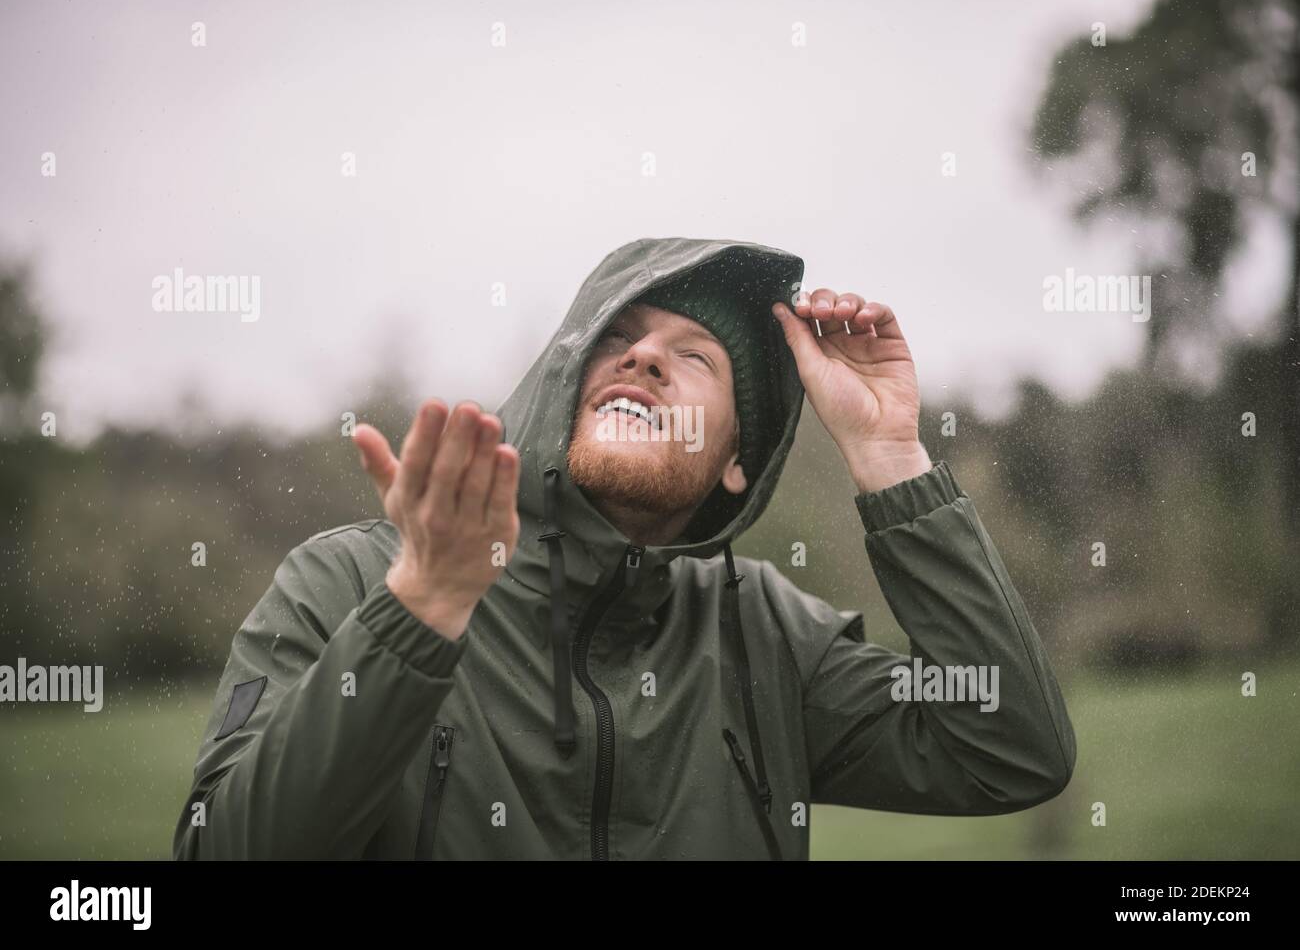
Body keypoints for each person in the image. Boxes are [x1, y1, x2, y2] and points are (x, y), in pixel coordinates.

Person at [173, 236, 1076, 860]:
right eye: (617, 337)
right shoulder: (352, 582)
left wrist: (892, 458)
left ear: (735, 462)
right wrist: (420, 612)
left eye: (695, 357)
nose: (642, 357)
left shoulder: (764, 635)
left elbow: (1008, 750)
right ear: (566, 385)